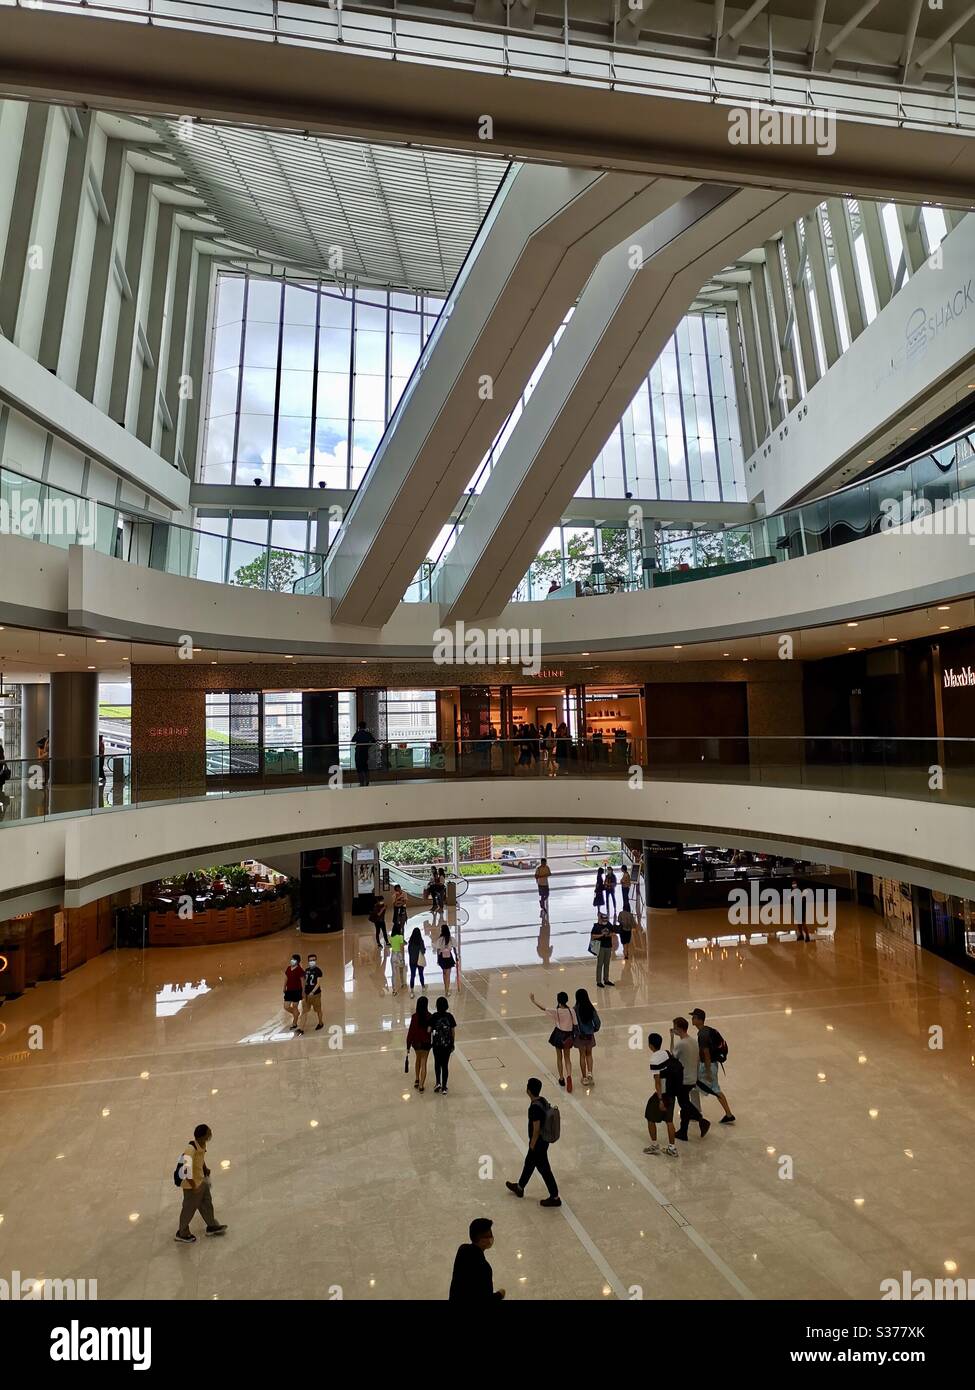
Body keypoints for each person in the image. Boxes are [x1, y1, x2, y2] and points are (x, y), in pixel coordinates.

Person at [505, 1078, 561, 1207]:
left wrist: (532, 1144)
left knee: (544, 1169)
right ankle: (520, 1187)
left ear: (528, 1090)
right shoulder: (542, 1100)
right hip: (544, 1141)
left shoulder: (534, 1108)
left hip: (538, 1143)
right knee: (529, 1163)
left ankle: (555, 1197)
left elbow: (536, 1129)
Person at [174, 1123, 227, 1243]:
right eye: (208, 1133)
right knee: (189, 1209)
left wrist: (205, 1168)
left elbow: (200, 1158)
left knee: (207, 1203)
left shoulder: (201, 1145)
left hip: (200, 1180)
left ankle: (211, 1225)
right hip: (191, 1186)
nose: (210, 1135)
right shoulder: (190, 1150)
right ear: (202, 1136)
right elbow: (186, 1170)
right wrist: (194, 1187)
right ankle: (182, 1232)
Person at [691, 1008, 736, 1123]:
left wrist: (708, 1072)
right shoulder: (707, 1030)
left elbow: (706, 1054)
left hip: (707, 1066)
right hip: (712, 1065)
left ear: (699, 1020)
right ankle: (729, 1114)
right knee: (714, 1089)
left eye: (694, 1017)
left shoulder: (702, 1034)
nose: (692, 1019)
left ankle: (695, 1113)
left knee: (692, 1086)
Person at [670, 1016, 710, 1141]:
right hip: (692, 1077)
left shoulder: (681, 1044)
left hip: (683, 1079)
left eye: (675, 1028)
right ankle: (683, 1131)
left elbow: (673, 1056)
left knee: (684, 1103)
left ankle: (701, 1120)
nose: (673, 1030)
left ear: (679, 1028)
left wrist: (671, 1038)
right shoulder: (693, 1041)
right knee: (685, 1104)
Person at [530, 990, 576, 1092]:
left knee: (559, 1057)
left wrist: (533, 1001)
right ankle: (569, 1076)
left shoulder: (557, 1011)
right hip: (568, 1036)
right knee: (567, 1058)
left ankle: (561, 1078)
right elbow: (575, 1024)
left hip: (559, 1035)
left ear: (558, 1001)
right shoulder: (571, 1011)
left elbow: (543, 1008)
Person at [449, 1218, 504, 1301]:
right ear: (481, 1240)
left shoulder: (462, 1249)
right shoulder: (485, 1268)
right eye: (489, 1236)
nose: (491, 1238)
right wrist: (500, 1294)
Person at [643, 1033, 680, 1158]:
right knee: (669, 1120)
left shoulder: (654, 1059)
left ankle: (654, 1144)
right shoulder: (666, 1053)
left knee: (649, 1115)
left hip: (663, 1093)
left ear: (650, 1045)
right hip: (672, 1091)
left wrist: (660, 1100)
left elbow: (657, 1082)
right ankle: (672, 1147)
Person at [574, 987, 600, 1086]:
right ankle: (590, 1073)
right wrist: (594, 1029)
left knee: (582, 1055)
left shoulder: (575, 1009)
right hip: (589, 1034)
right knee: (589, 1054)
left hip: (580, 1036)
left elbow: (573, 1023)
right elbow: (597, 1021)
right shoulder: (590, 1007)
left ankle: (584, 1077)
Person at [431, 995, 457, 1094]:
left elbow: (429, 1030)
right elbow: (453, 1031)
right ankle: (444, 1087)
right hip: (447, 1045)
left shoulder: (434, 1016)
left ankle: (438, 1082)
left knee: (437, 1063)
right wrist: (452, 1043)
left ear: (437, 1006)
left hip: (436, 1045)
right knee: (445, 1065)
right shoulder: (450, 1016)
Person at [406, 995, 432, 1091]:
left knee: (418, 1060)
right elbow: (430, 1031)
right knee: (424, 1062)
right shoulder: (430, 1016)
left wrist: (408, 1045)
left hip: (416, 1043)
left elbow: (411, 1032)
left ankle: (417, 1079)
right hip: (426, 1043)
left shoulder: (414, 1017)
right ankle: (421, 1085)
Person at [302, 951, 324, 1031]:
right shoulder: (306, 970)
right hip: (307, 995)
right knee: (304, 1011)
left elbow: (318, 983)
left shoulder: (318, 971)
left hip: (316, 994)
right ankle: (301, 1028)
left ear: (316, 960)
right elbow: (304, 982)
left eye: (313, 960)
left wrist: (313, 992)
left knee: (318, 1009)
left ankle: (320, 1023)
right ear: (308, 961)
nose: (312, 961)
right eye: (310, 960)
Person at [593, 916, 617, 988]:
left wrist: (609, 935)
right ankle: (599, 981)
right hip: (600, 947)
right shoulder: (596, 926)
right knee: (600, 964)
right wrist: (602, 935)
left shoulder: (609, 925)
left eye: (606, 919)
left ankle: (606, 980)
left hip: (608, 947)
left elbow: (613, 933)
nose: (605, 921)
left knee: (607, 964)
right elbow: (593, 936)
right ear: (600, 919)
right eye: (604, 919)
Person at [284, 953, 304, 1033]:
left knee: (295, 1006)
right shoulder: (288, 968)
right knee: (286, 1006)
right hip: (289, 991)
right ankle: (296, 1014)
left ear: (297, 961)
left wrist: (303, 992)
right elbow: (286, 978)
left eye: (293, 959)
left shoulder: (299, 970)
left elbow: (303, 981)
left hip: (297, 991)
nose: (291, 960)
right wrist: (284, 986)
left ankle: (294, 1023)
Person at [351, 719, 376, 787]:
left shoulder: (358, 733)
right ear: (365, 727)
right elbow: (374, 741)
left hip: (358, 752)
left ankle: (361, 782)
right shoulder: (367, 734)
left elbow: (353, 740)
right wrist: (368, 746)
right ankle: (367, 781)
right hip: (365, 752)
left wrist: (356, 731)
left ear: (359, 727)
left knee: (359, 767)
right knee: (365, 766)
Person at [436, 922, 456, 993]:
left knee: (444, 973)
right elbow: (454, 949)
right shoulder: (451, 939)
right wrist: (456, 957)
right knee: (448, 974)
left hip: (442, 957)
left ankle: (446, 989)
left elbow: (438, 950)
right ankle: (447, 990)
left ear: (442, 931)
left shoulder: (439, 939)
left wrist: (438, 960)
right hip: (449, 957)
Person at [407, 926, 426, 996]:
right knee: (421, 974)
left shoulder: (410, 942)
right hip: (419, 960)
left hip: (412, 961)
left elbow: (409, 952)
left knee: (412, 975)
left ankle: (412, 991)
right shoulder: (420, 941)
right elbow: (423, 951)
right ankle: (423, 987)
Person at [389, 922, 406, 995]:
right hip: (399, 955)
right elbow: (401, 947)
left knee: (394, 973)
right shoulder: (400, 937)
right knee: (401, 970)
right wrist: (402, 958)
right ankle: (402, 983)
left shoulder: (391, 937)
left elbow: (390, 946)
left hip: (393, 955)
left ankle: (394, 990)